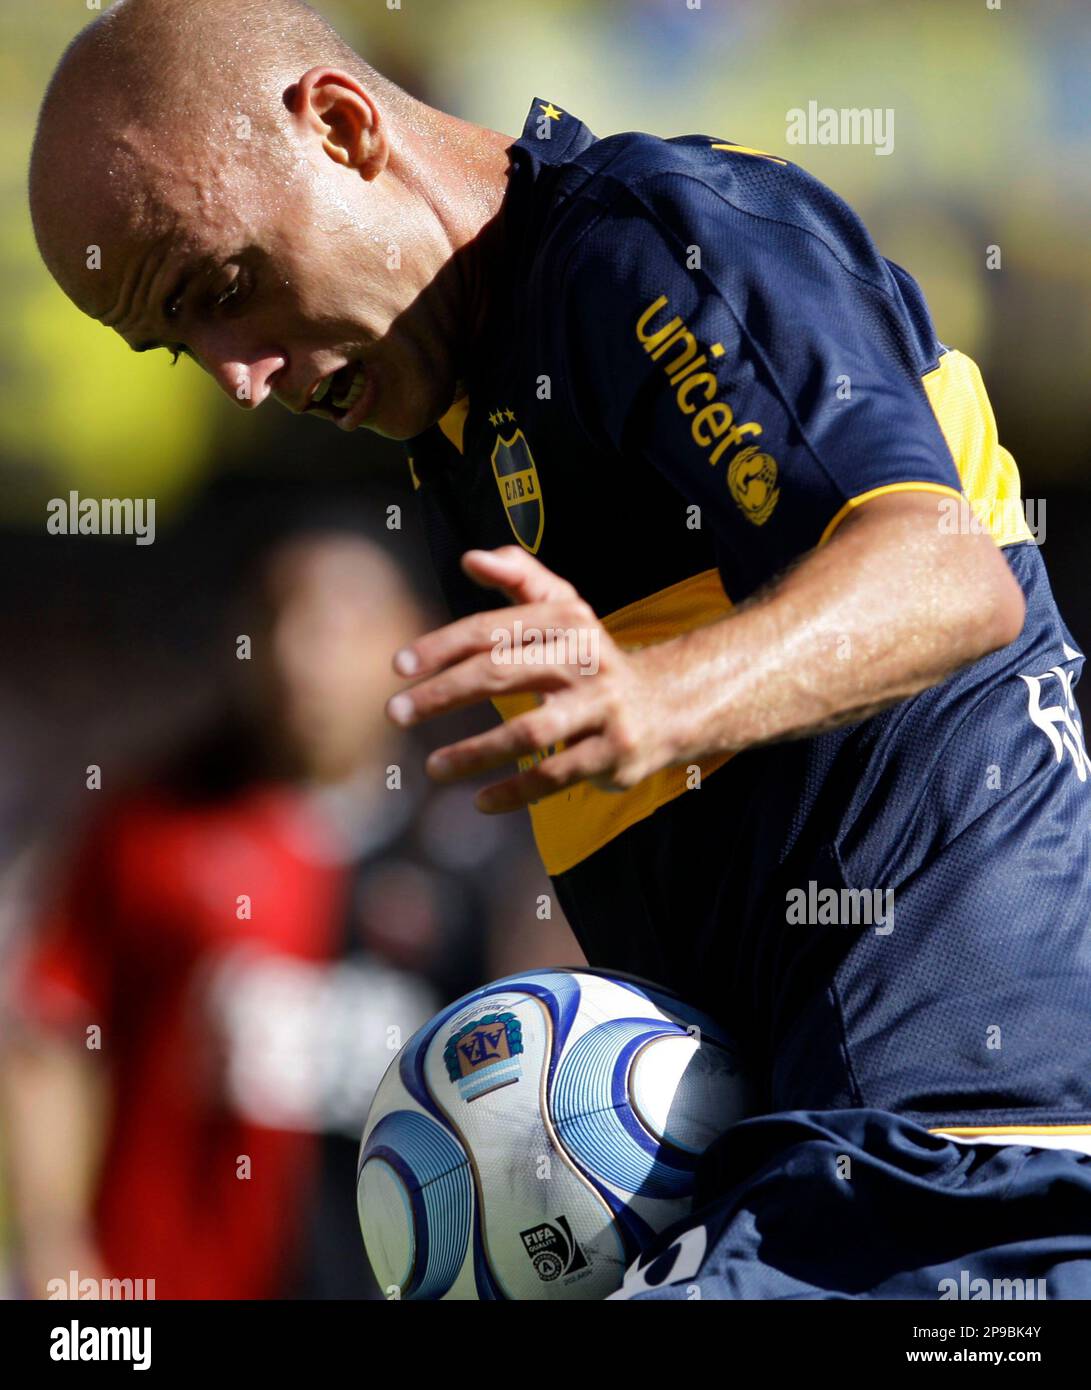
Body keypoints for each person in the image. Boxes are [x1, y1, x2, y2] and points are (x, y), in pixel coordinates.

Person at [28, 0, 1091, 1298]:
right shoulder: (463, 422)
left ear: (343, 126)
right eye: (175, 341)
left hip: (963, 1165)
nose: (232, 373)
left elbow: (944, 578)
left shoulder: (647, 244)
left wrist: (654, 696)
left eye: (221, 289)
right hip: (804, 1177)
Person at [0, 526, 567, 1299]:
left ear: (408, 637)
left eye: (339, 623)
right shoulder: (151, 826)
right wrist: (57, 1248)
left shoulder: (480, 851)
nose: (303, 654)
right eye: (277, 618)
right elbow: (53, 1036)